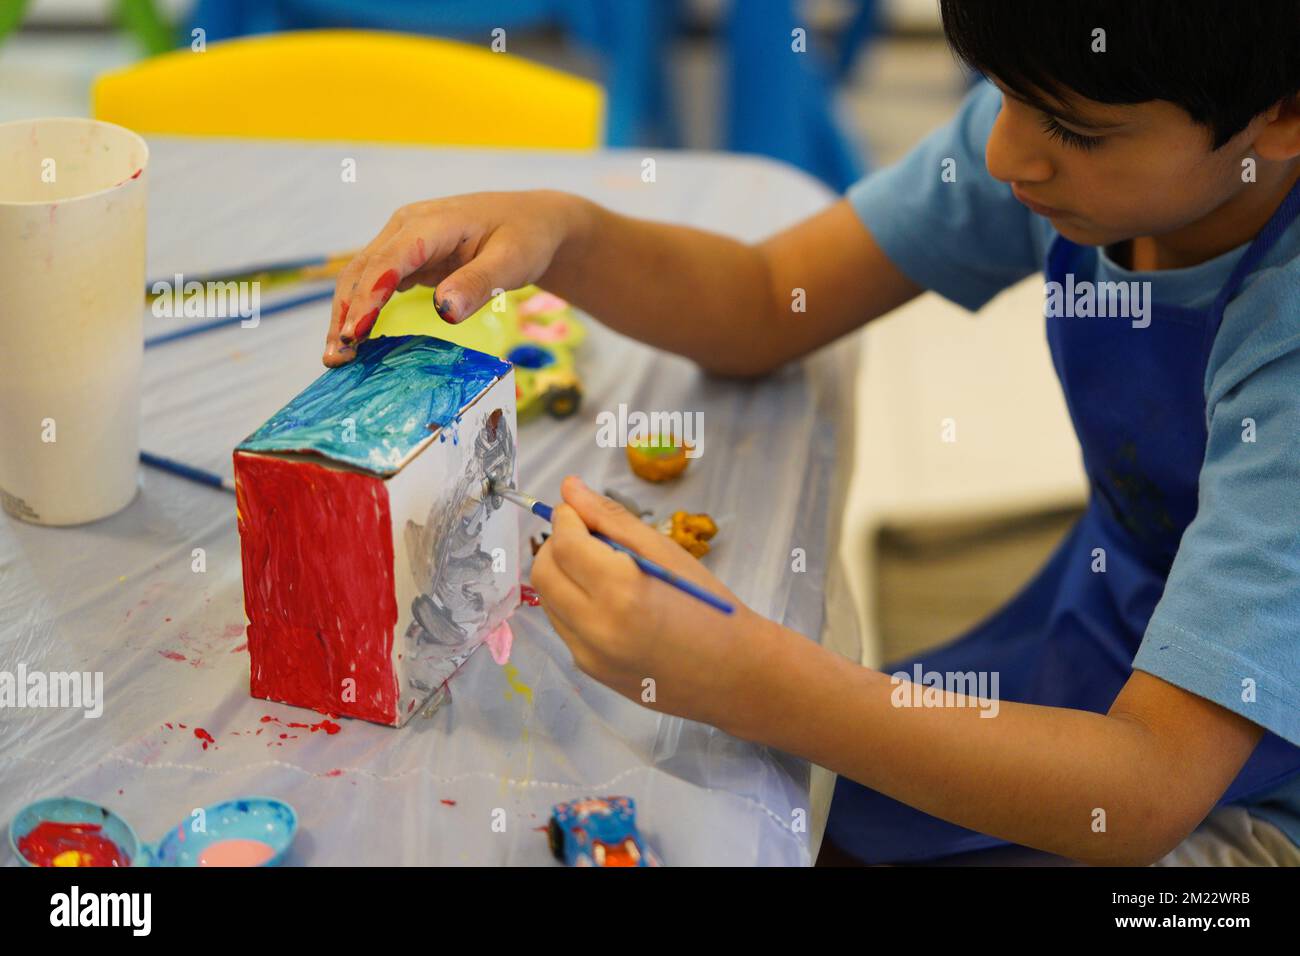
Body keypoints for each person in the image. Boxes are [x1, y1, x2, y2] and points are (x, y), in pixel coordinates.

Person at [322, 1, 1300, 865]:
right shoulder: (1078, 120)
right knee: (806, 806)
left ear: (1283, 116)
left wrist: (747, 679)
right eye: (997, 93)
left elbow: (1138, 792)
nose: (1005, 155)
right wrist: (563, 232)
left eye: (1072, 129)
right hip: (1113, 625)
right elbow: (767, 300)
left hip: (1235, 778)